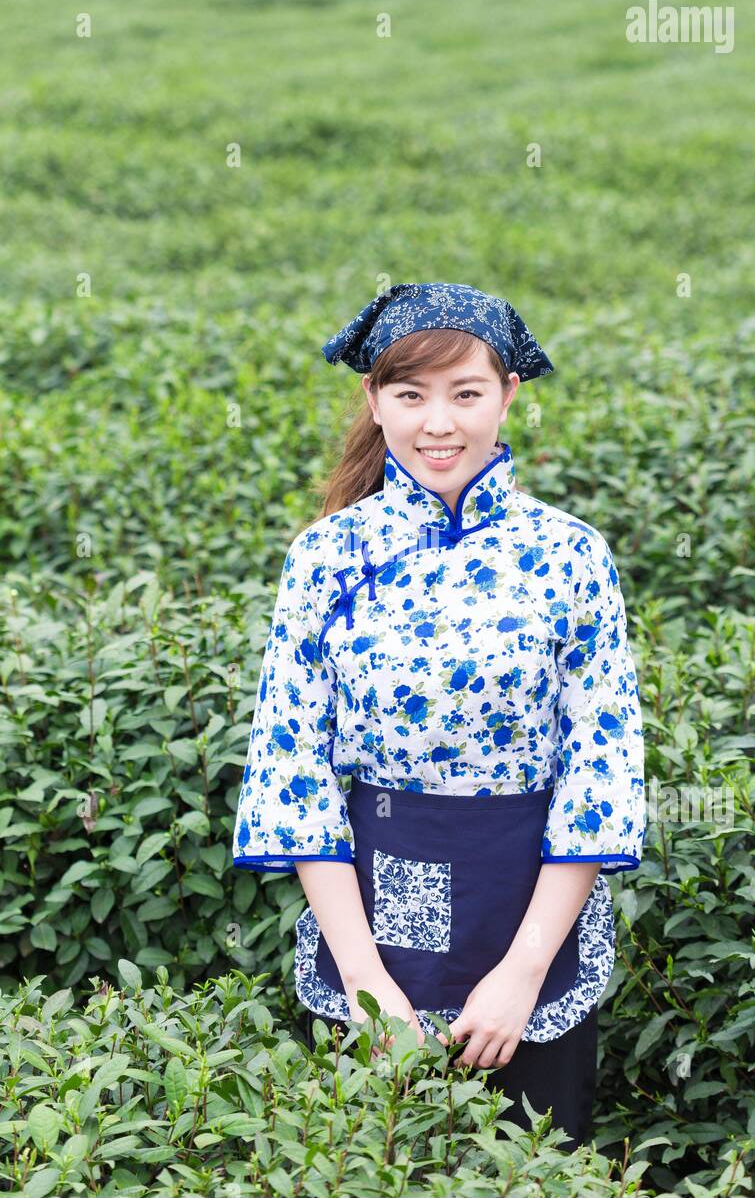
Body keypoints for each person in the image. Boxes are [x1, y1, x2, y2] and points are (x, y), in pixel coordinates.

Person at [232, 281, 646, 1152]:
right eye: (411, 395)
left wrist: (522, 975)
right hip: (372, 936)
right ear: (375, 401)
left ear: (509, 397)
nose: (439, 423)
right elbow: (295, 772)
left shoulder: (570, 556)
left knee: (536, 1166)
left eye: (466, 393)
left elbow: (598, 775)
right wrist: (368, 985)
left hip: (534, 924)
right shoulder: (326, 557)